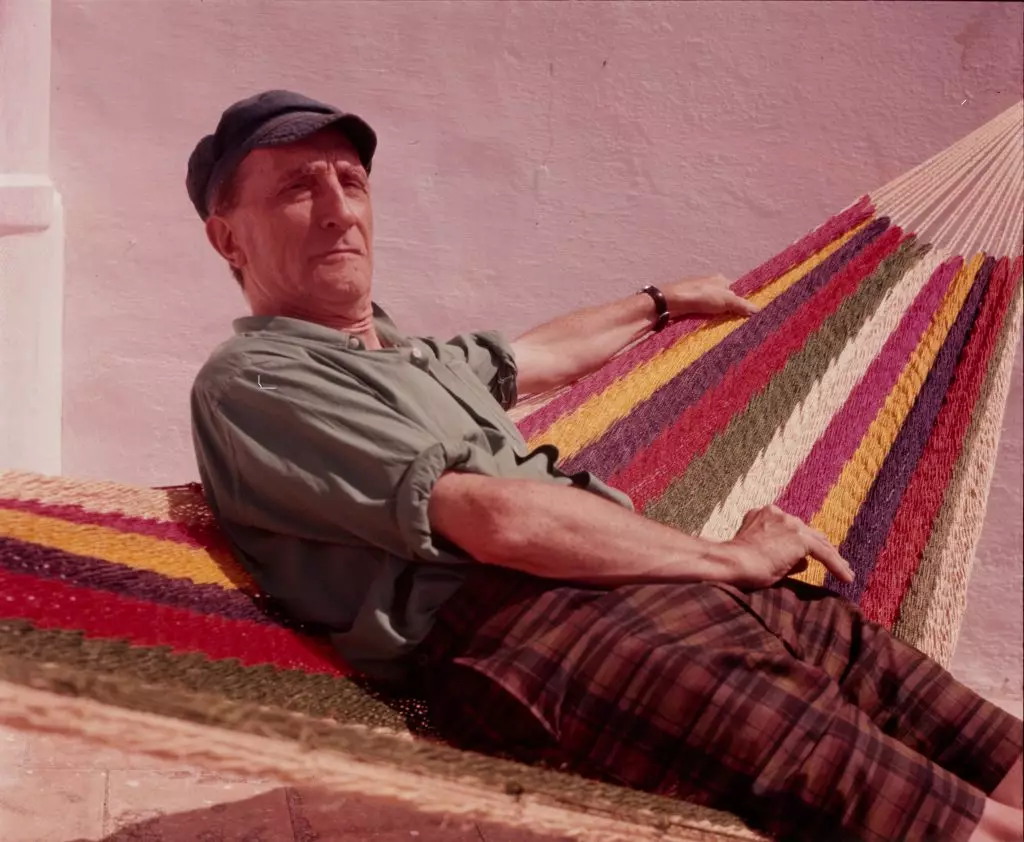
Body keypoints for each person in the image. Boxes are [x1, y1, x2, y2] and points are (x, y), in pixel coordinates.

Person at [187, 90, 1023, 842]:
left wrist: (661, 304)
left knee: (972, 738)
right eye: (298, 188)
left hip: (647, 582)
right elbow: (495, 518)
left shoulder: (402, 356)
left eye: (351, 181)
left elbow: (528, 358)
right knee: (931, 817)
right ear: (228, 237)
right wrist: (726, 558)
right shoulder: (258, 380)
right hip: (530, 630)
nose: (339, 210)